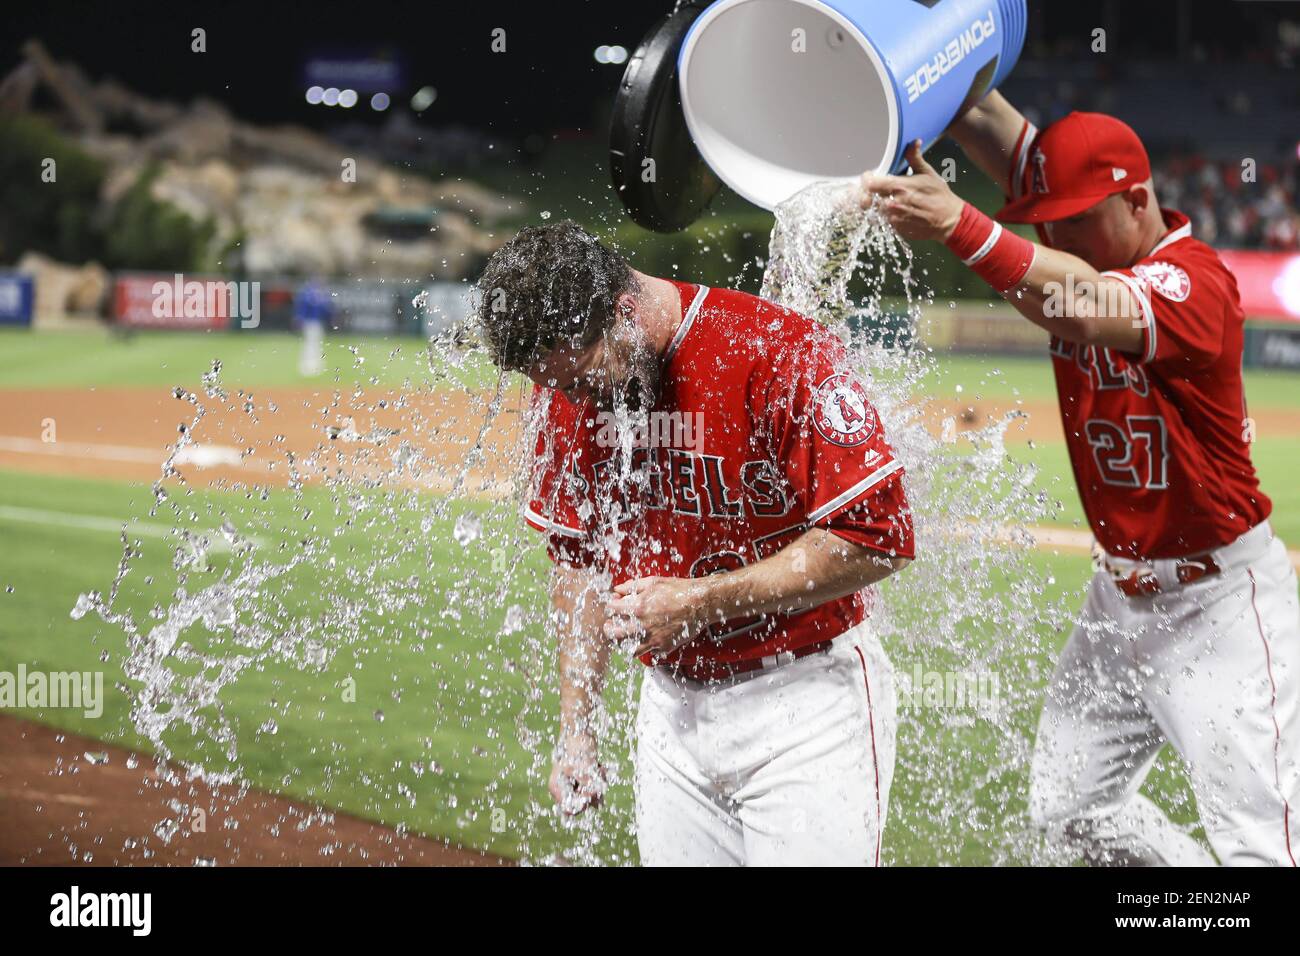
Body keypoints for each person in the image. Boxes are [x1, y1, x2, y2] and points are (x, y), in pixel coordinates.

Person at [860, 93, 1298, 866]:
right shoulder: (1090, 224)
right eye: (1045, 220)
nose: (1056, 234)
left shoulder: (1194, 283)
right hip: (1116, 601)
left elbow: (1080, 304)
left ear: (1137, 201)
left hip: (1217, 607)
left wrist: (961, 224)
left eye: (1074, 220)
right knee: (1070, 815)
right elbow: (984, 114)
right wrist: (922, 43)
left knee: (1261, 847)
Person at [472, 222, 915, 865]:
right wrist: (577, 728)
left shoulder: (774, 349)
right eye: (557, 386)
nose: (573, 399)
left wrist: (701, 601)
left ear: (622, 310)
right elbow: (577, 561)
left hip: (808, 704)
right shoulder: (570, 379)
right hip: (670, 712)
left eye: (581, 380)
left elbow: (879, 538)